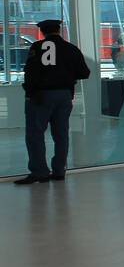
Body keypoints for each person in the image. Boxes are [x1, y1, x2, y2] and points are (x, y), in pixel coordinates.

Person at [15, 19, 90, 185]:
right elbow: (85, 73)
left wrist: (30, 91)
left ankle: (39, 172)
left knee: (35, 134)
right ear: (59, 30)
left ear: (42, 32)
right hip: (64, 95)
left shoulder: (37, 47)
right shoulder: (71, 49)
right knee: (61, 134)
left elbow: (31, 71)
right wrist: (66, 76)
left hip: (41, 95)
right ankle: (59, 171)